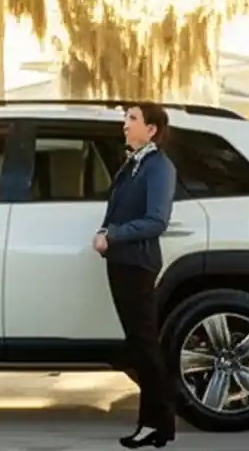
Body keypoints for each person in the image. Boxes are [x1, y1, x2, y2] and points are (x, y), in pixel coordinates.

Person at [93, 102, 177, 449]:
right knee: (138, 344)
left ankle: (155, 424)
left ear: (152, 129)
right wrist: (104, 231)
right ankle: (158, 426)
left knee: (144, 345)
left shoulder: (158, 167)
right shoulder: (134, 164)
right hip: (121, 261)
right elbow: (117, 207)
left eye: (132, 119)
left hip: (137, 263)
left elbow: (157, 220)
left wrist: (112, 235)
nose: (125, 125)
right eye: (125, 118)